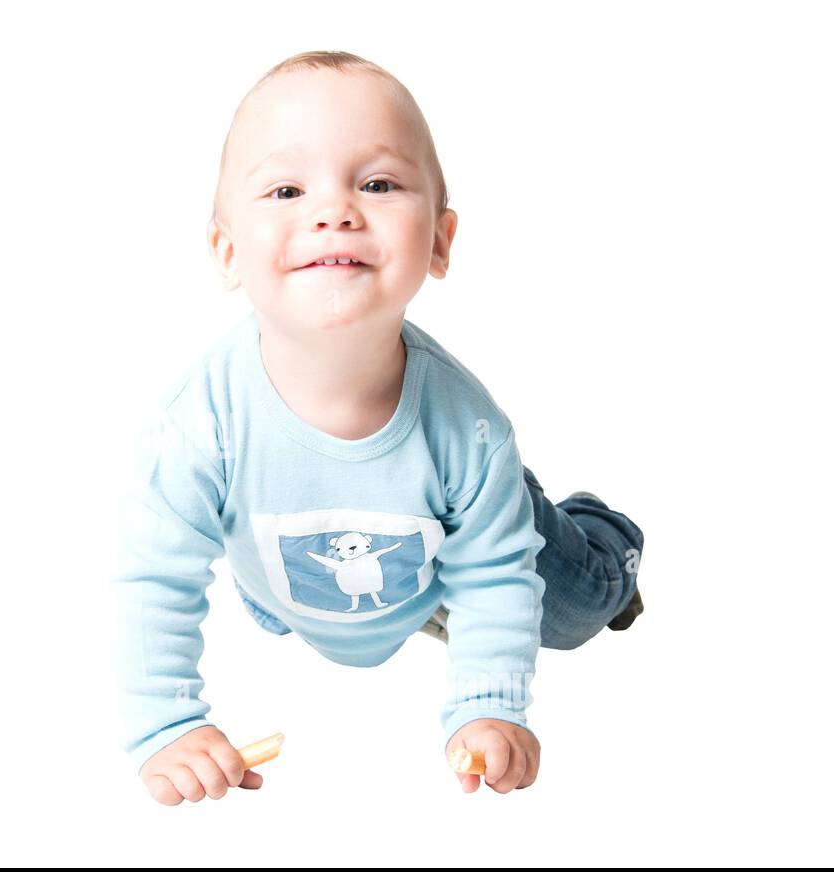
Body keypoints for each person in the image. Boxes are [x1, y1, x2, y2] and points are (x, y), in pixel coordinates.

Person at [113, 50, 644, 805]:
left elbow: (493, 581)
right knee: (270, 602)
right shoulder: (196, 427)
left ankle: (602, 538)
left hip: (454, 532)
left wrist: (489, 706)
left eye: (379, 184)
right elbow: (152, 580)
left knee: (575, 611)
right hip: (324, 560)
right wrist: (166, 726)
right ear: (227, 250)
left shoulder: (471, 430)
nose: (333, 211)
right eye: (287, 188)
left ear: (438, 242)